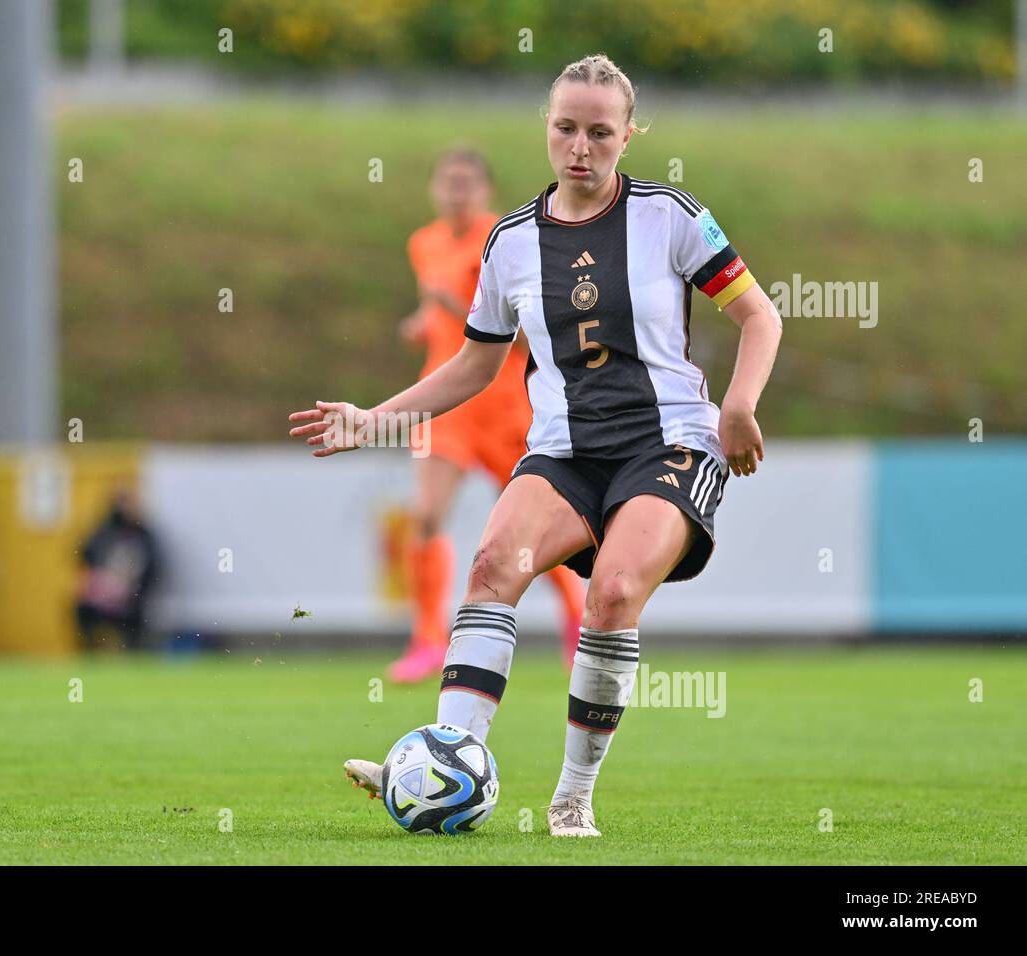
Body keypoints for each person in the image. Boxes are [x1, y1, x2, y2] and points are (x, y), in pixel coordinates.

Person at [288, 54, 782, 837]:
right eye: (564, 128)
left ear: (629, 135)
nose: (579, 146)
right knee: (489, 567)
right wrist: (377, 417)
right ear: (546, 129)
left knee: (614, 594)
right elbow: (476, 363)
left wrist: (740, 406)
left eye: (599, 132)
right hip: (565, 453)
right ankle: (449, 764)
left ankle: (572, 797)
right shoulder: (511, 241)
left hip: (671, 445)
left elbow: (761, 316)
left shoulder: (672, 216)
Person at [389, 146, 586, 683]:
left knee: (532, 532)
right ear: (434, 187)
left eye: (466, 183)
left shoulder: (506, 240)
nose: (456, 192)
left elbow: (529, 335)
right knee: (426, 515)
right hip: (446, 404)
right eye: (447, 181)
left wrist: (454, 310)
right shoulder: (424, 243)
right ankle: (428, 639)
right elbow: (440, 311)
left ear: (485, 191)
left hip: (503, 405)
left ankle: (577, 617)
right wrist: (425, 321)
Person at [74, 487, 161, 651]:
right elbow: (84, 556)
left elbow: (154, 569)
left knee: (137, 615)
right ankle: (89, 652)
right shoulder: (102, 532)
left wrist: (134, 590)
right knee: (81, 609)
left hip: (131, 597)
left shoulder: (143, 534)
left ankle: (133, 652)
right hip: (101, 596)